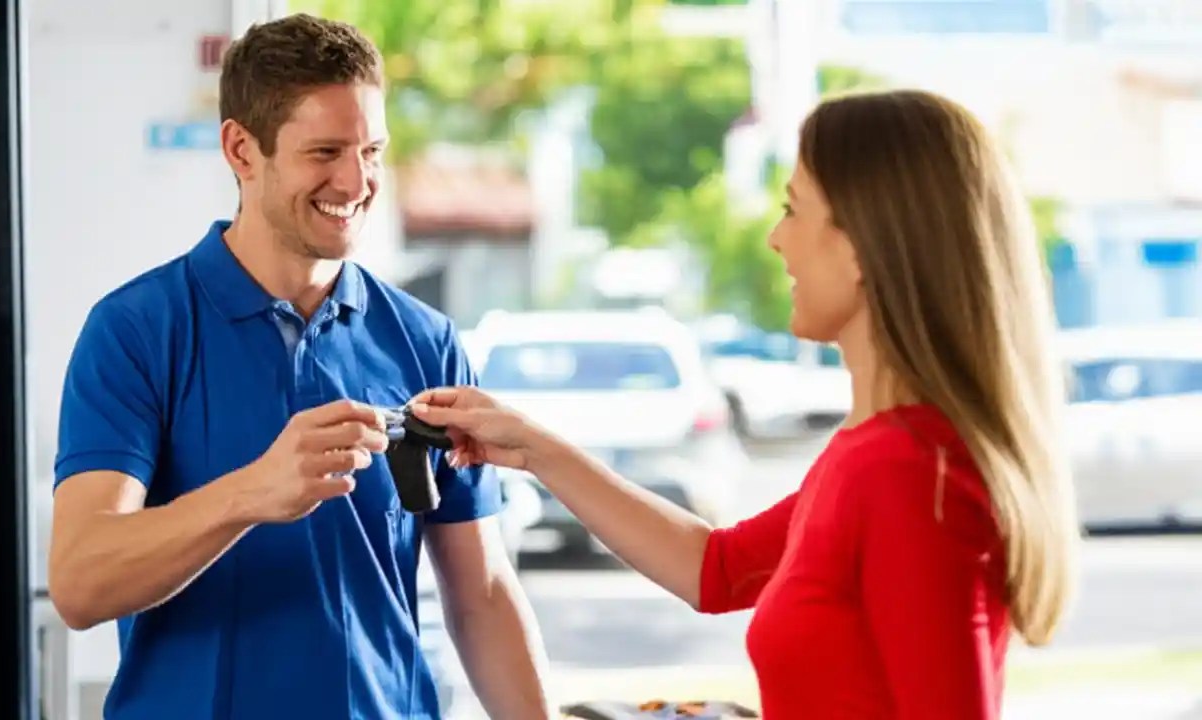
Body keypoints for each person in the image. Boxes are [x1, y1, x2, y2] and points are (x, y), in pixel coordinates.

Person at [412, 89, 1081, 719]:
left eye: (793, 210)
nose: (776, 239)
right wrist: (531, 447)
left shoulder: (909, 473)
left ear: (858, 248)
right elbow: (717, 569)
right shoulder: (868, 455)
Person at [47, 14, 551, 720]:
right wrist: (253, 492)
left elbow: (483, 593)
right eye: (325, 151)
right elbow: (79, 581)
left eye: (371, 149)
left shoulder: (423, 340)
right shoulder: (136, 331)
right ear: (242, 150)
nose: (356, 179)